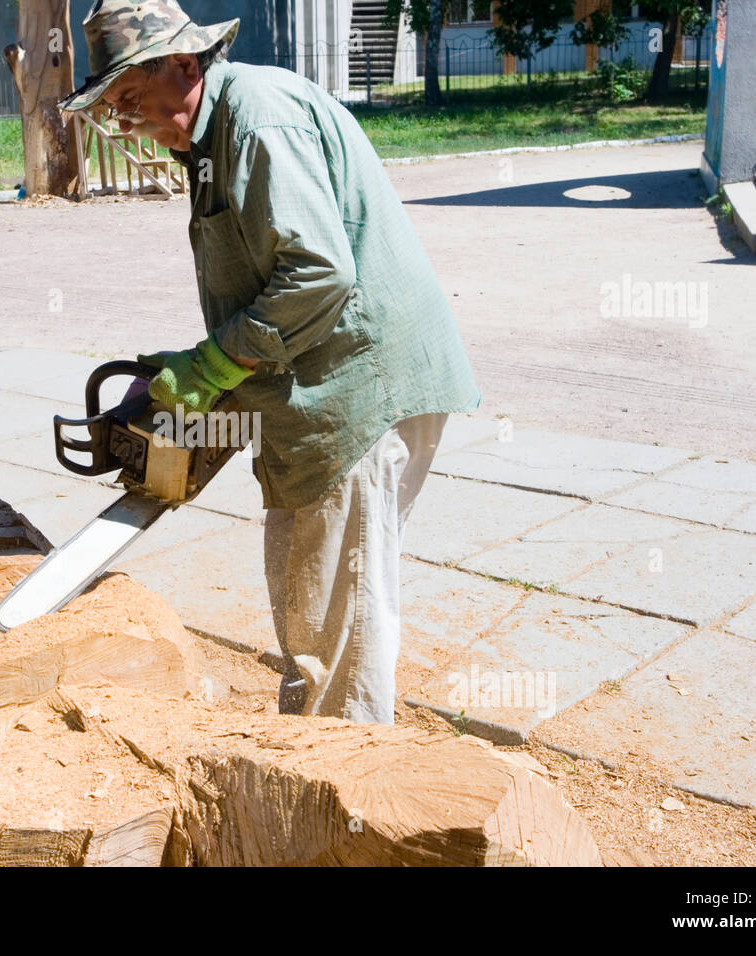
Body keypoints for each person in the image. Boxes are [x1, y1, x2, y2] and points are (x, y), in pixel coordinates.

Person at [60, 0, 481, 724]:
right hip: (323, 384)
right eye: (114, 105)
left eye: (130, 97)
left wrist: (216, 364)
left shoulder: (256, 120)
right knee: (317, 593)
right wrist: (196, 364)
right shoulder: (213, 137)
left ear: (185, 65)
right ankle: (329, 765)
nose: (126, 119)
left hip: (355, 389)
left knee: (334, 626)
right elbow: (268, 275)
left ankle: (341, 791)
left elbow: (318, 273)